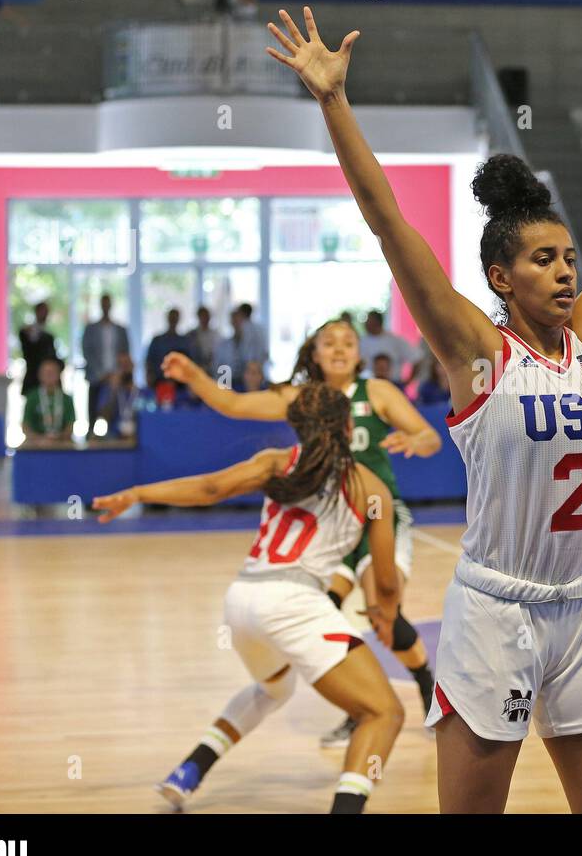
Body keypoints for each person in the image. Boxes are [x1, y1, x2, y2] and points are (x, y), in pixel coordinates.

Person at [265, 0, 582, 812]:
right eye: (543, 260)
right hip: (495, 612)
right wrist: (334, 101)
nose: (565, 273)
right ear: (500, 279)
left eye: (569, 258)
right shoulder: (476, 351)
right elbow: (388, 224)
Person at [93, 381, 405, 813]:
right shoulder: (371, 489)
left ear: (297, 425)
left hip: (243, 601)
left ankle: (188, 771)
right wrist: (385, 614)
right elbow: (386, 585)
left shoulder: (276, 462)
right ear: (349, 425)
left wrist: (138, 494)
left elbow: (208, 489)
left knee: (274, 689)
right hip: (294, 602)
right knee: (384, 713)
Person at [162, 317, 442, 748]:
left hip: (375, 516)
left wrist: (414, 442)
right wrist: (194, 375)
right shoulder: (300, 397)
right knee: (322, 615)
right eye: (329, 342)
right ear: (314, 353)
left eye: (348, 342)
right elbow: (233, 405)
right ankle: (360, 709)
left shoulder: (378, 392)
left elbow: (428, 436)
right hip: (328, 524)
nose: (339, 349)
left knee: (382, 614)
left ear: (359, 354)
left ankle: (426, 684)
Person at [82, 295, 129, 430]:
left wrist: (117, 373)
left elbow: (125, 353)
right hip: (96, 377)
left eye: (108, 303)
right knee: (93, 413)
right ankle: (91, 438)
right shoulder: (91, 328)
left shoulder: (120, 330)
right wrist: (101, 374)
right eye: (104, 303)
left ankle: (112, 437)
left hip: (116, 378)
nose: (106, 306)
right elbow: (87, 352)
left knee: (113, 412)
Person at [22, 358, 75, 444]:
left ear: (59, 374)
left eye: (52, 373)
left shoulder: (66, 399)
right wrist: (40, 439)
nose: (49, 375)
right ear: (40, 375)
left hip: (62, 442)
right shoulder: (32, 397)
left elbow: (70, 426)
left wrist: (58, 439)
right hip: (36, 443)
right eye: (46, 373)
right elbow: (25, 426)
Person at [359, 310, 420, 384]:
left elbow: (417, 358)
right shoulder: (361, 341)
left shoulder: (395, 340)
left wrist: (408, 381)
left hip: (393, 383)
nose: (366, 324)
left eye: (370, 322)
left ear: (378, 323)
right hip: (368, 383)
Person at [95, 352, 142, 438]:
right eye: (121, 365)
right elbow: (103, 416)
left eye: (127, 364)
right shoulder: (108, 391)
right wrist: (113, 390)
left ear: (133, 366)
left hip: (138, 436)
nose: (125, 368)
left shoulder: (143, 393)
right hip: (114, 436)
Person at [18, 301, 57, 396]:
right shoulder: (26, 332)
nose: (44, 314)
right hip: (33, 379)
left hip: (47, 382)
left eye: (46, 312)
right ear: (36, 312)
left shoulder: (49, 336)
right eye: (42, 311)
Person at [145, 308, 191, 390]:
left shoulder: (184, 341)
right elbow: (149, 361)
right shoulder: (157, 340)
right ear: (167, 318)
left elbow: (189, 363)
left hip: (180, 385)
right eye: (171, 318)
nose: (173, 320)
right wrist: (149, 375)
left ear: (178, 320)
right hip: (158, 382)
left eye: (175, 318)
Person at [187, 306, 219, 375]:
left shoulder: (216, 334)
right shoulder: (191, 335)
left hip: (213, 370)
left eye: (206, 316)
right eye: (202, 316)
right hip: (196, 370)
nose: (204, 318)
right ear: (198, 317)